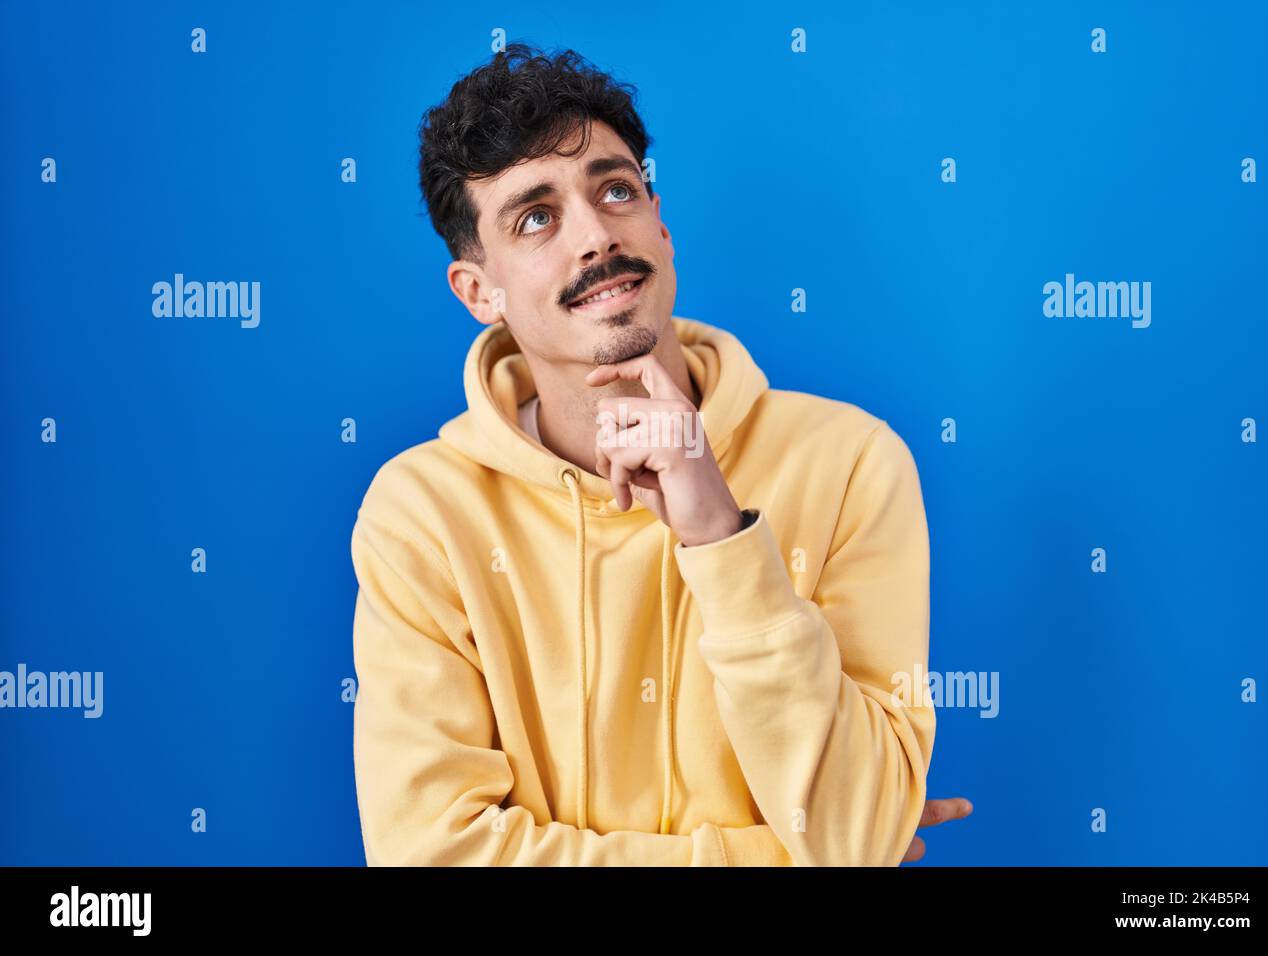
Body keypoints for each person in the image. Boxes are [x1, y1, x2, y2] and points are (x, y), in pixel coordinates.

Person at [350, 42, 972, 865]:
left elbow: (853, 829)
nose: (596, 236)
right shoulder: (420, 514)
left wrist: (720, 532)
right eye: (536, 217)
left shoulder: (852, 460)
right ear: (478, 292)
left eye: (616, 191)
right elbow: (430, 854)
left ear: (661, 222)